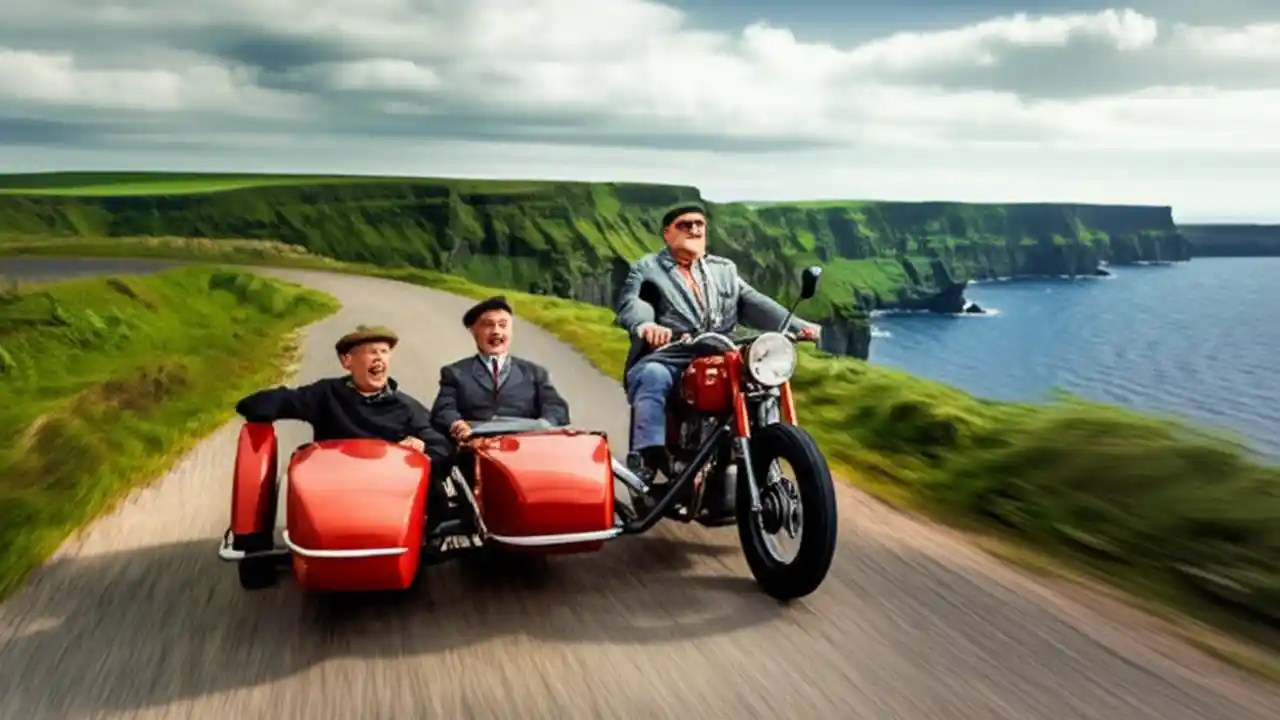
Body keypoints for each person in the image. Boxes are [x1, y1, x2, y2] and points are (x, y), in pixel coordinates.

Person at [614, 203, 821, 489]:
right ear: (667, 233)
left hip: (724, 351)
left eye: (700, 224)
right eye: (686, 225)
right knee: (652, 377)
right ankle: (645, 460)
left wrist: (798, 326)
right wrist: (646, 326)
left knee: (763, 382)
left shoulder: (724, 270)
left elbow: (755, 303)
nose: (695, 229)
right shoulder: (647, 269)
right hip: (673, 354)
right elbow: (635, 302)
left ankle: (767, 449)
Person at [234, 324, 455, 525]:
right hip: (334, 491)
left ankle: (427, 540)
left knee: (434, 490)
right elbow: (272, 402)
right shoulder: (325, 394)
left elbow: (440, 445)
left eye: (384, 352)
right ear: (347, 361)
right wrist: (258, 407)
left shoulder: (406, 407)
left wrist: (419, 451)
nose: (379, 359)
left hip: (388, 497)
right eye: (371, 352)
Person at [430, 295, 570, 443]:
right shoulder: (455, 372)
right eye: (488, 325)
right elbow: (443, 410)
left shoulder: (535, 373)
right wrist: (457, 424)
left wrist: (545, 424)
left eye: (503, 325)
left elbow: (557, 408)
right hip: (475, 446)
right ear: (473, 331)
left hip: (524, 445)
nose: (496, 331)